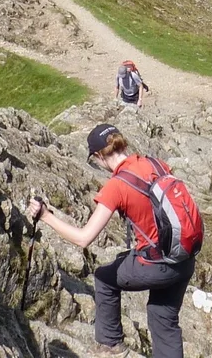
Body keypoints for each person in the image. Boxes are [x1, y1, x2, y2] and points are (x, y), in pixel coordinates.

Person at [27, 125, 197, 358]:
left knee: (104, 278)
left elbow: (83, 238)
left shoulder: (116, 186)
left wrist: (46, 216)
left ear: (99, 155)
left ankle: (110, 346)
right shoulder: (155, 164)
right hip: (184, 258)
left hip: (158, 265)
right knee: (162, 316)